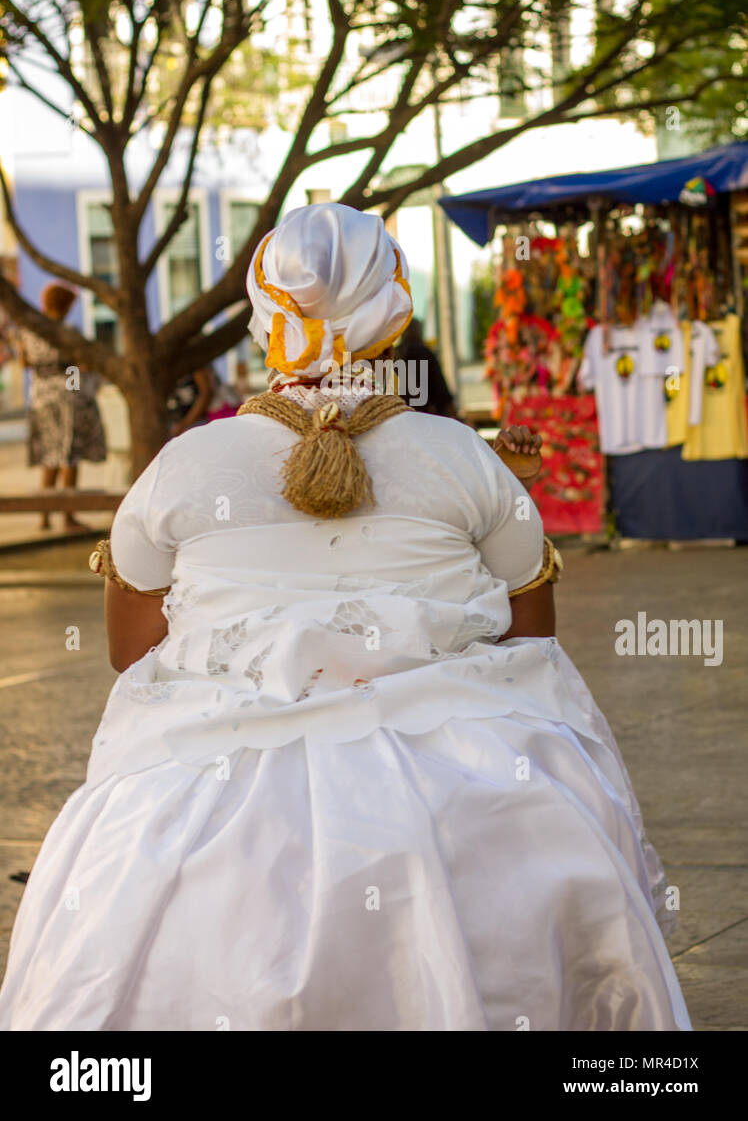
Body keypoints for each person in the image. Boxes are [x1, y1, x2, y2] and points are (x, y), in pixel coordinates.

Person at [0, 204, 689, 1031]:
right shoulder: (465, 457)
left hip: (201, 795)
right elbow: (531, 638)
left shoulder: (183, 466)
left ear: (262, 317)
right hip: (472, 779)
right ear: (394, 313)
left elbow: (131, 650)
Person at [13, 282, 106, 531]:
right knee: (69, 457)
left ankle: (44, 516)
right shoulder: (65, 331)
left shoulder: (29, 330)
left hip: (41, 398)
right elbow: (78, 364)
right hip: (66, 398)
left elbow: (24, 363)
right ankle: (68, 515)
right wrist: (76, 385)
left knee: (49, 458)